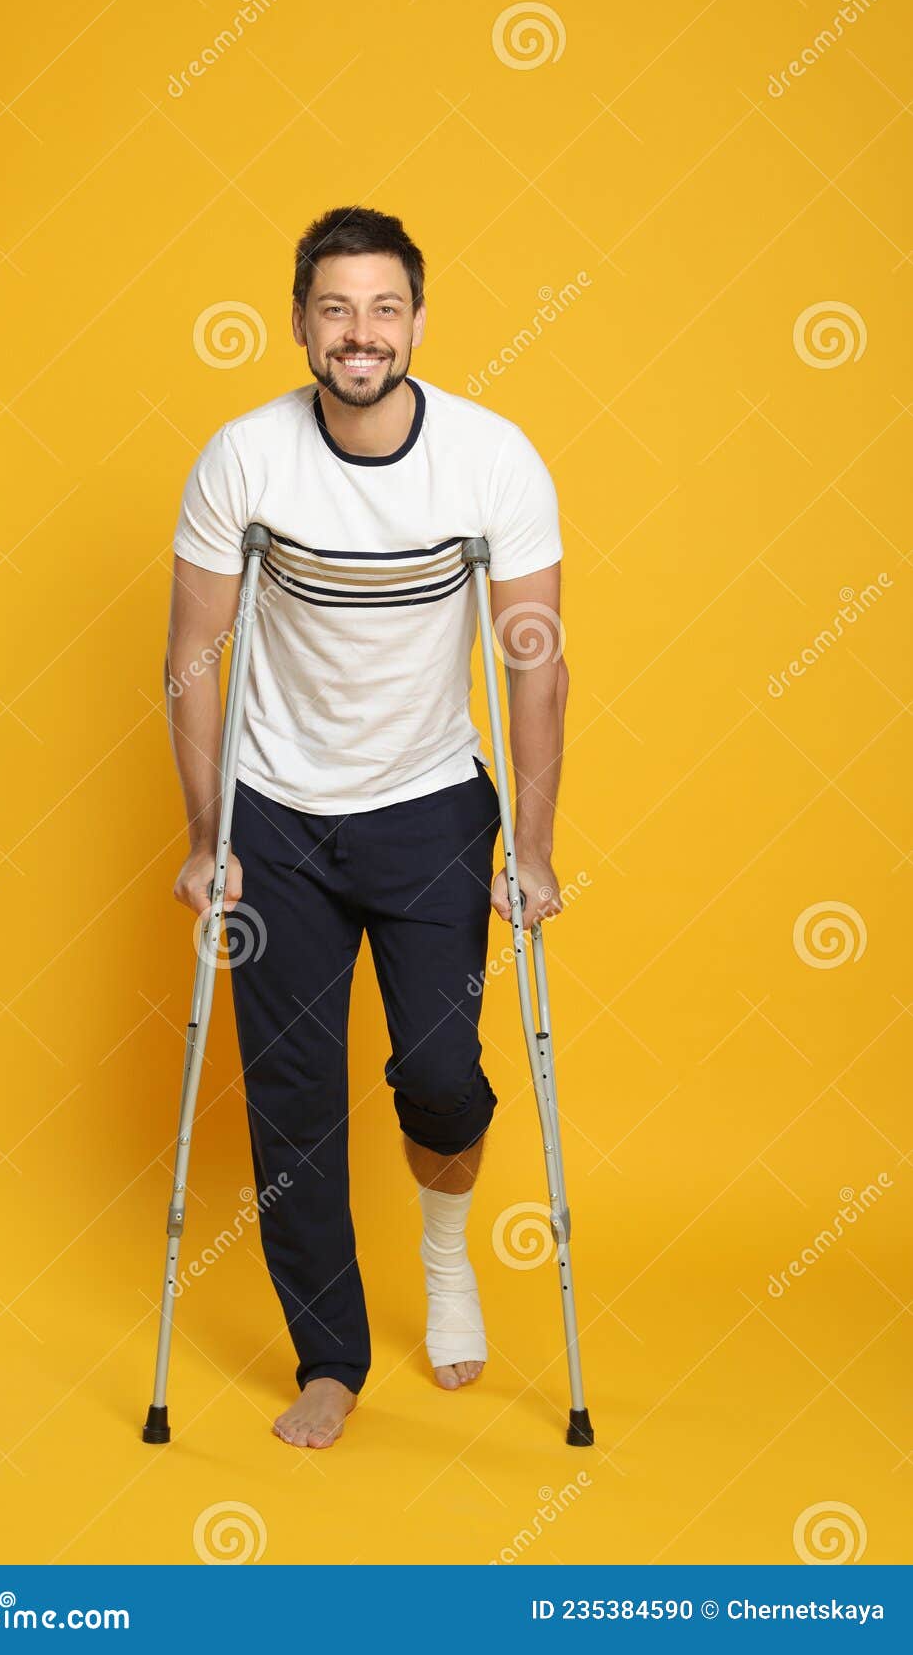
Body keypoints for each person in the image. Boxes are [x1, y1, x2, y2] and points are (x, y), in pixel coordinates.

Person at [165, 205, 567, 1450]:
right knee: (290, 1099)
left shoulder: (492, 458)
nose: (359, 334)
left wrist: (533, 848)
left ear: (417, 323)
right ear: (298, 323)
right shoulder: (244, 457)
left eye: (382, 308)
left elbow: (533, 664)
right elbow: (191, 657)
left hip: (431, 808)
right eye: (333, 308)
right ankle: (328, 1357)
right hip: (277, 816)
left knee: (440, 1075)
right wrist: (203, 834)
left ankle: (445, 1252)